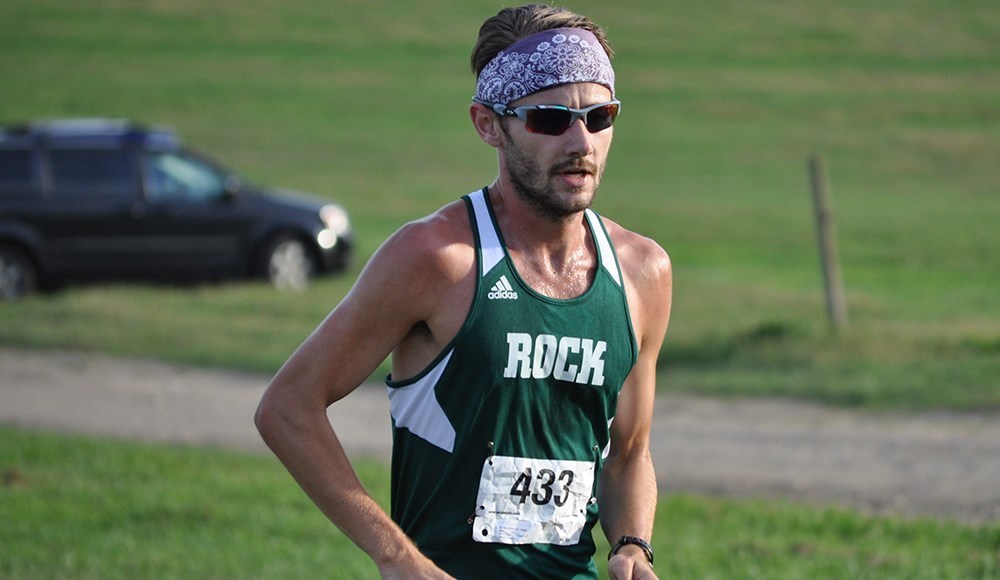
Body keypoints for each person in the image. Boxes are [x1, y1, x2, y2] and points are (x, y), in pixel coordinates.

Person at [255, 4, 672, 578]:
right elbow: (287, 407)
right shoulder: (435, 259)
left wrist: (631, 543)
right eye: (551, 120)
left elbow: (627, 454)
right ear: (488, 123)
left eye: (600, 117)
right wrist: (397, 556)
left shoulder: (643, 272)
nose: (581, 142)